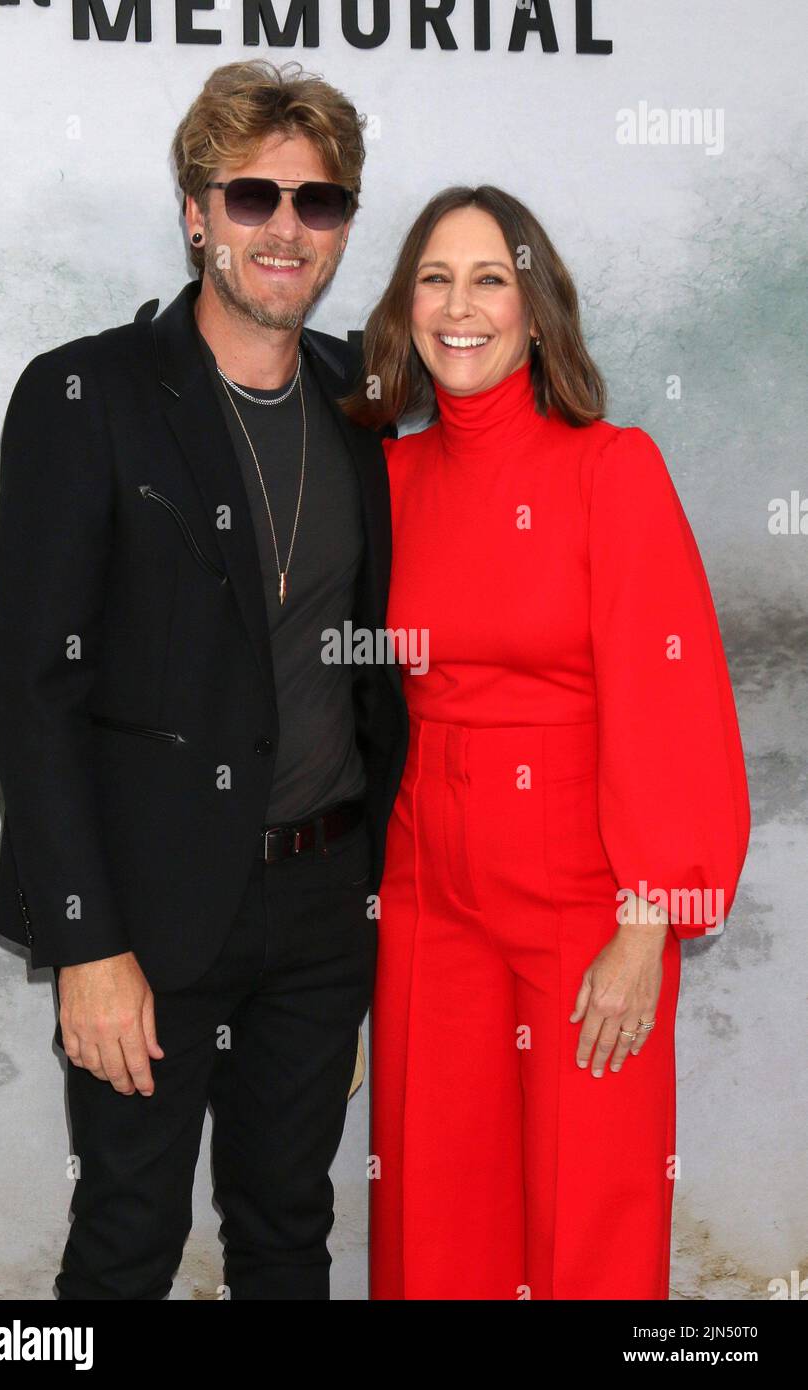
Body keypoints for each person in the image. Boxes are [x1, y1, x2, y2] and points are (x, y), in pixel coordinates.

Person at [0, 59, 407, 1301]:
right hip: (148, 913)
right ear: (194, 211)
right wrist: (86, 945)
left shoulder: (365, 402)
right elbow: (36, 690)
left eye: (317, 203)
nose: (285, 228)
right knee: (128, 1238)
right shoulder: (88, 394)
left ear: (339, 229)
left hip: (323, 905)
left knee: (288, 1232)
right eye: (252, 197)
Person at [340, 185, 750, 1300]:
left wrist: (645, 920)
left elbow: (669, 701)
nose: (458, 305)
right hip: (429, 896)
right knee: (431, 1215)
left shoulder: (608, 470)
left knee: (590, 1227)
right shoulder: (384, 479)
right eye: (433, 278)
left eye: (488, 279)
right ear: (403, 308)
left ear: (534, 309)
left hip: (586, 902)